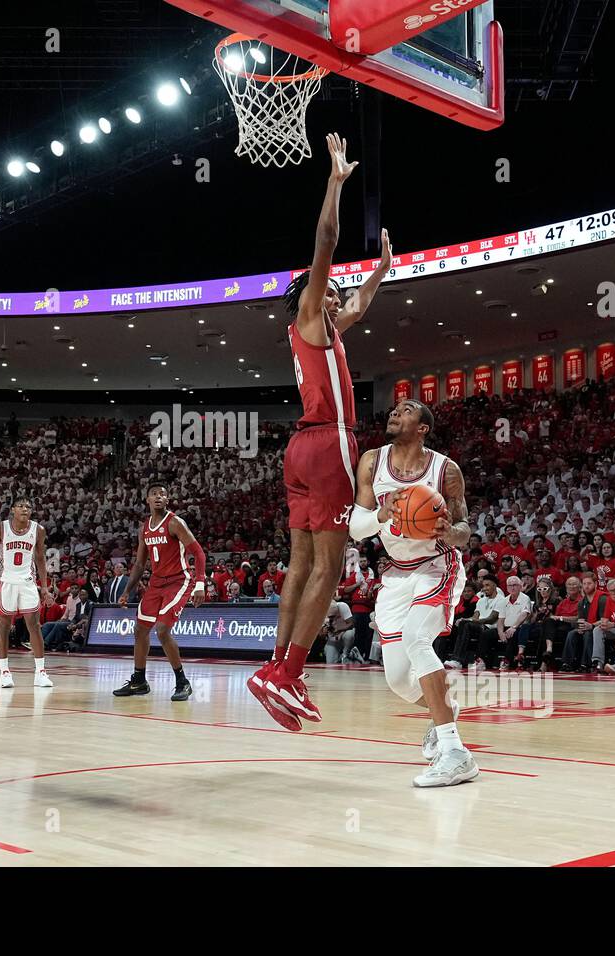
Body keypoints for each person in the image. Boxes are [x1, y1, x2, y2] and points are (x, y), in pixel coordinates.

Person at [249, 133, 393, 730]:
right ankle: (291, 672)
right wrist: (335, 184)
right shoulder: (310, 314)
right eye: (327, 290)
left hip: (302, 449)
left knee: (302, 564)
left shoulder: (326, 327)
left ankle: (276, 667)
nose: (336, 294)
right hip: (329, 441)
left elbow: (357, 304)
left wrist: (382, 270)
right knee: (330, 569)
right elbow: (326, 244)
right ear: (307, 298)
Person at [349, 399, 476, 786]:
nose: (394, 412)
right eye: (394, 409)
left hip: (438, 565)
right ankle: (445, 709)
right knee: (399, 681)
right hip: (397, 575)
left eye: (406, 410)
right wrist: (380, 516)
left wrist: (450, 532)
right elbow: (356, 529)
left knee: (418, 639)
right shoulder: (372, 461)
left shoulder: (445, 470)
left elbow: (465, 531)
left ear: (423, 427)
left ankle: (456, 753)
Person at [114, 483, 203, 700]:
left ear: (167, 499)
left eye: (162, 494)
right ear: (147, 500)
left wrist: (200, 584)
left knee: (162, 630)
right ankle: (139, 681)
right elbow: (139, 564)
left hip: (179, 581)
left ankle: (182, 681)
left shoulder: (175, 522)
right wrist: (127, 590)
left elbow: (198, 553)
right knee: (140, 630)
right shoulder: (144, 528)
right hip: (156, 583)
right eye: (154, 494)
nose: (158, 497)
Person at [0, 497, 55, 688]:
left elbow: (40, 558)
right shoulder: (0, 528)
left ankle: (40, 672)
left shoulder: (38, 530)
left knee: (34, 624)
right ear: (13, 509)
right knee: (4, 626)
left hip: (28, 582)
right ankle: (4, 672)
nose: (25, 509)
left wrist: (44, 586)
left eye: (28, 507)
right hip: (6, 581)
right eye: (21, 506)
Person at [321, 599, 356, 664]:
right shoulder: (321, 614)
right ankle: (351, 655)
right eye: (331, 617)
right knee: (330, 663)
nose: (333, 618)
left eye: (334, 615)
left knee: (349, 634)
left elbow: (352, 624)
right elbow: (321, 635)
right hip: (332, 638)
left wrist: (338, 629)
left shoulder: (342, 606)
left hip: (344, 633)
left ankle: (346, 654)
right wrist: (324, 632)